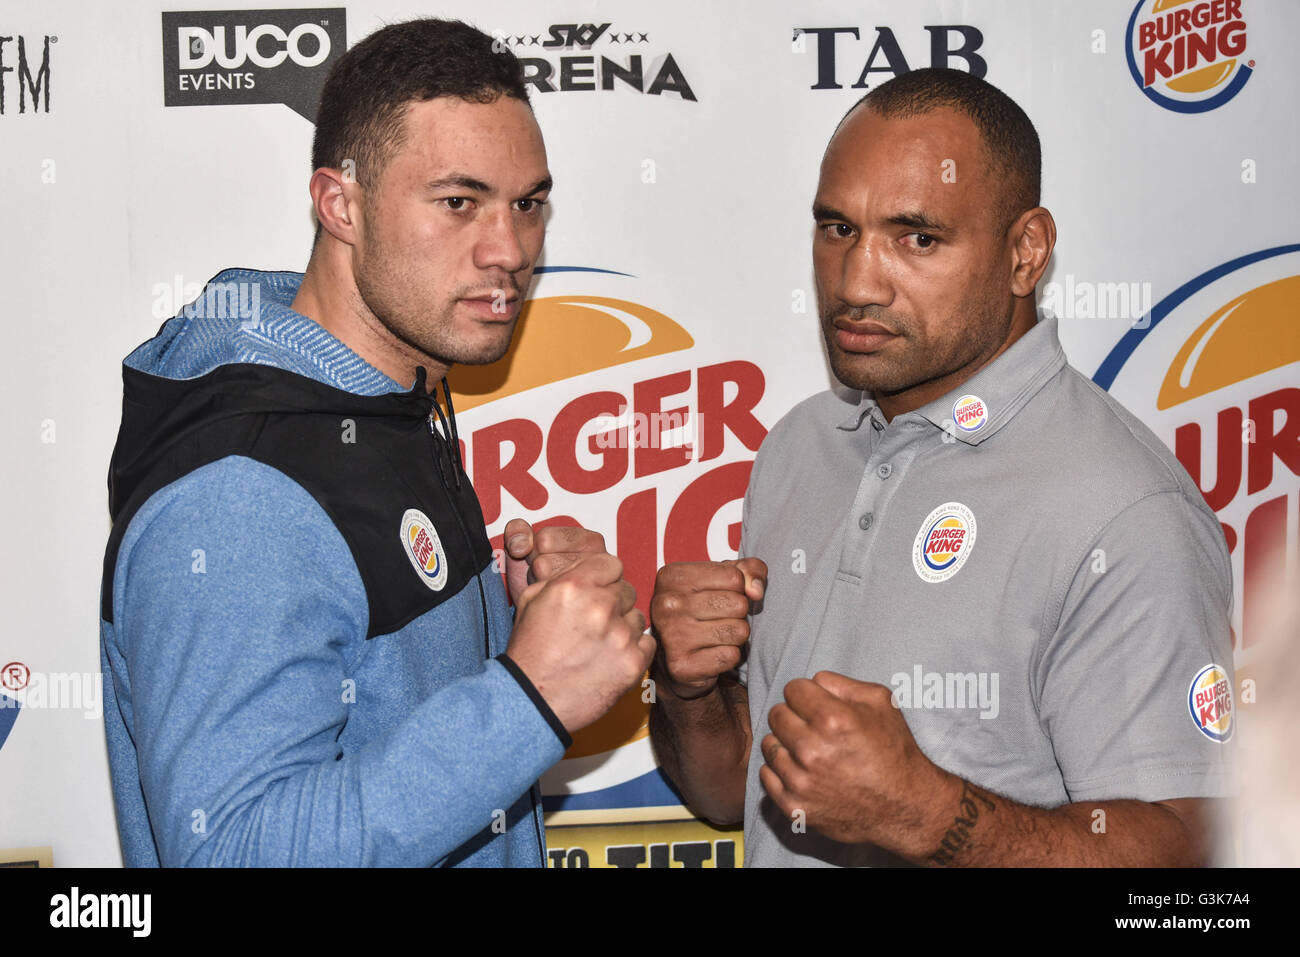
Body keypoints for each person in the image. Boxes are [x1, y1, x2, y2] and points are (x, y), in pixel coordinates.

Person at [98, 18, 654, 867]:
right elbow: (232, 851)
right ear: (341, 205)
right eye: (459, 202)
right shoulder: (239, 494)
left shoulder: (385, 396)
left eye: (528, 204)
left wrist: (516, 622)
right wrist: (529, 695)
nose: (509, 250)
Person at [648, 68, 1235, 867]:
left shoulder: (1124, 511)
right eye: (838, 228)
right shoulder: (800, 443)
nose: (856, 283)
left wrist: (927, 813)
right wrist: (690, 691)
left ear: (1026, 252)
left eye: (917, 238)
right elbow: (734, 788)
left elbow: (1187, 857)